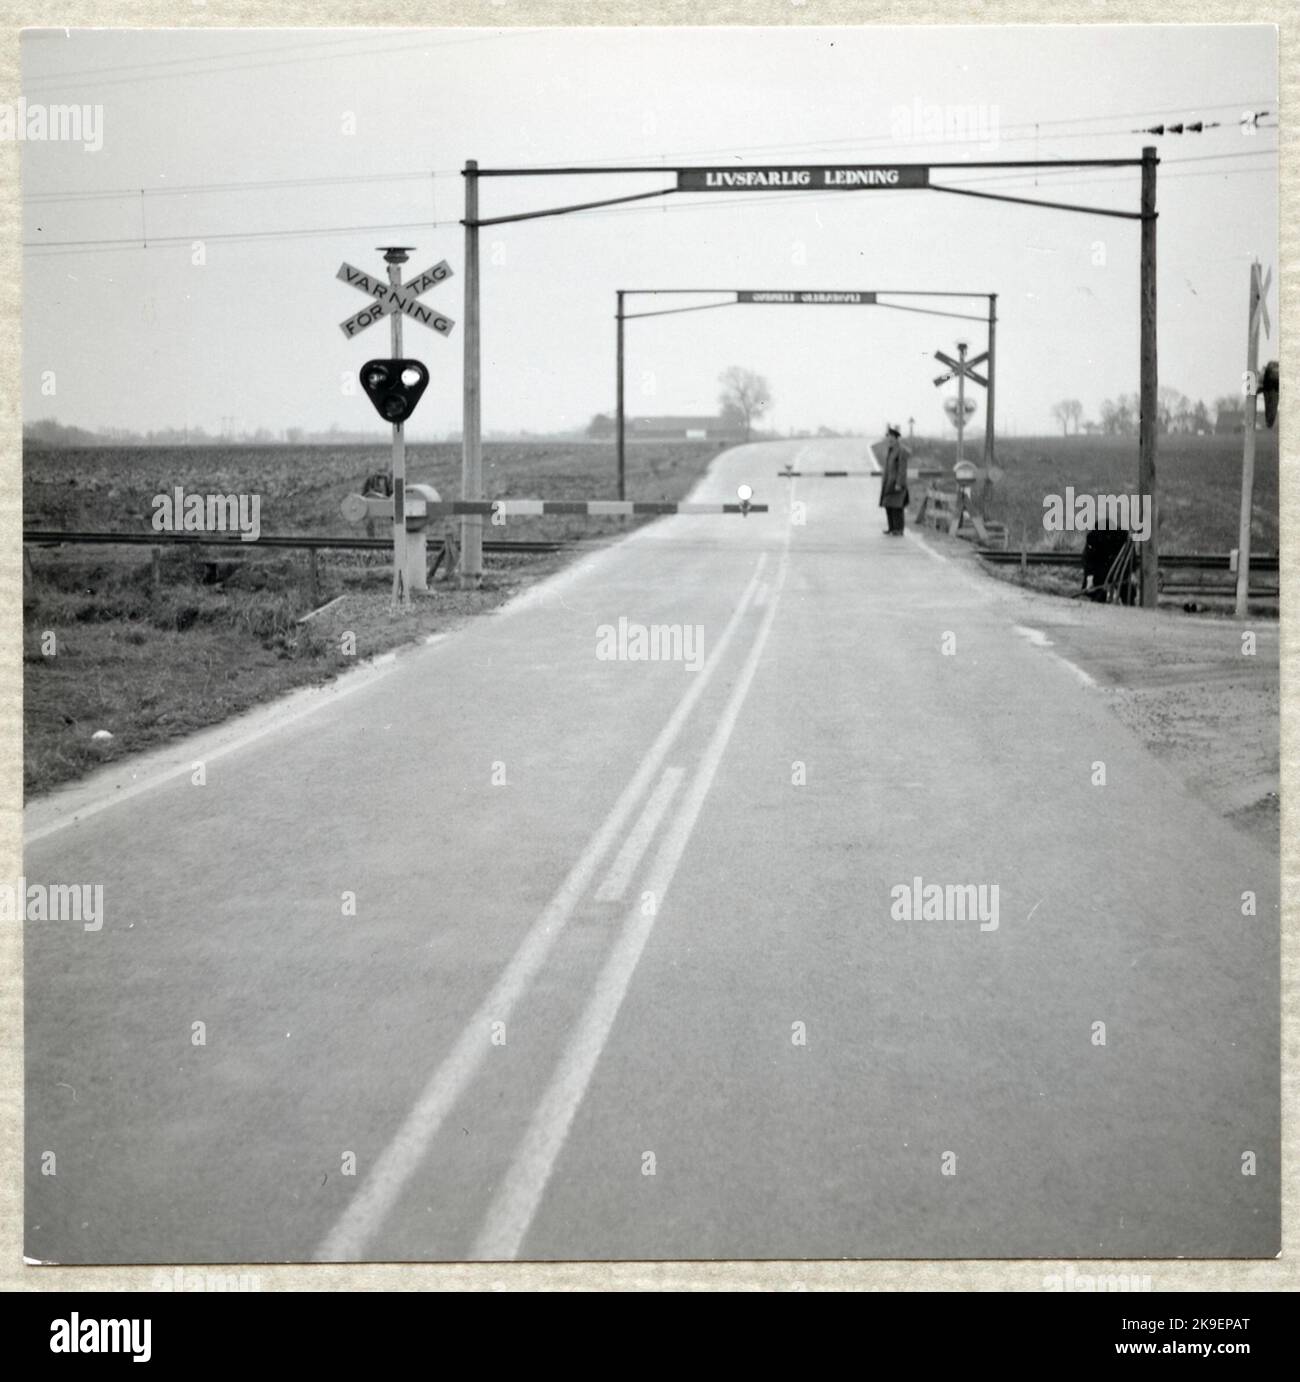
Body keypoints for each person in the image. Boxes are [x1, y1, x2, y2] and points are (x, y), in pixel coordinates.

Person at [879, 424, 909, 535]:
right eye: (888, 438)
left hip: (896, 484)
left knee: (897, 507)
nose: (890, 440)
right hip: (888, 484)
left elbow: (902, 469)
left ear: (896, 439)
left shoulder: (901, 451)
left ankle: (899, 529)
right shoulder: (890, 451)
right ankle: (891, 528)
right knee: (888, 506)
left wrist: (899, 483)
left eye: (892, 438)